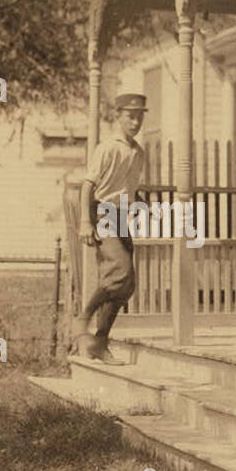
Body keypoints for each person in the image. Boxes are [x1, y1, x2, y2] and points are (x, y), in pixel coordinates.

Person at [74, 93, 148, 364]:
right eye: (130, 115)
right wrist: (85, 222)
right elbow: (88, 186)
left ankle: (100, 342)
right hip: (103, 212)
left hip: (122, 216)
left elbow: (127, 188)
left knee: (125, 284)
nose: (136, 121)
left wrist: (140, 205)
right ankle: (82, 318)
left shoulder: (138, 152)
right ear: (118, 115)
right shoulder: (107, 147)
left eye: (140, 115)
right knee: (121, 270)